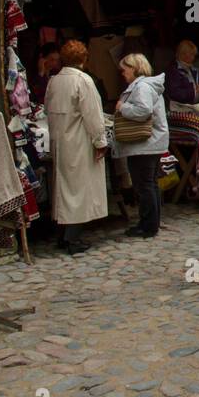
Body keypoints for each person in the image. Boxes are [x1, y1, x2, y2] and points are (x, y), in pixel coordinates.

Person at [44, 41, 109, 254]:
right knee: (79, 190)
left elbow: (48, 110)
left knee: (64, 189)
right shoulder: (83, 81)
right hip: (79, 141)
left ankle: (63, 235)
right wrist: (100, 142)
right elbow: (93, 115)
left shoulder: (54, 81)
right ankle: (72, 238)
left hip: (60, 141)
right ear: (83, 59)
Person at [111, 53, 169, 238]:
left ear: (135, 67)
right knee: (149, 184)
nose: (122, 71)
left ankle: (148, 225)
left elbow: (143, 111)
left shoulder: (142, 87)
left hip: (145, 143)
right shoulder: (146, 85)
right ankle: (150, 223)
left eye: (125, 67)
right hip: (151, 142)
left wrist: (122, 108)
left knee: (144, 185)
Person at [165, 39, 199, 113]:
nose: (193, 57)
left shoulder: (195, 70)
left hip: (195, 109)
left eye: (194, 55)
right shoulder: (173, 71)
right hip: (180, 111)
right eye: (191, 54)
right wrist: (194, 91)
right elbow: (174, 93)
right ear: (183, 54)